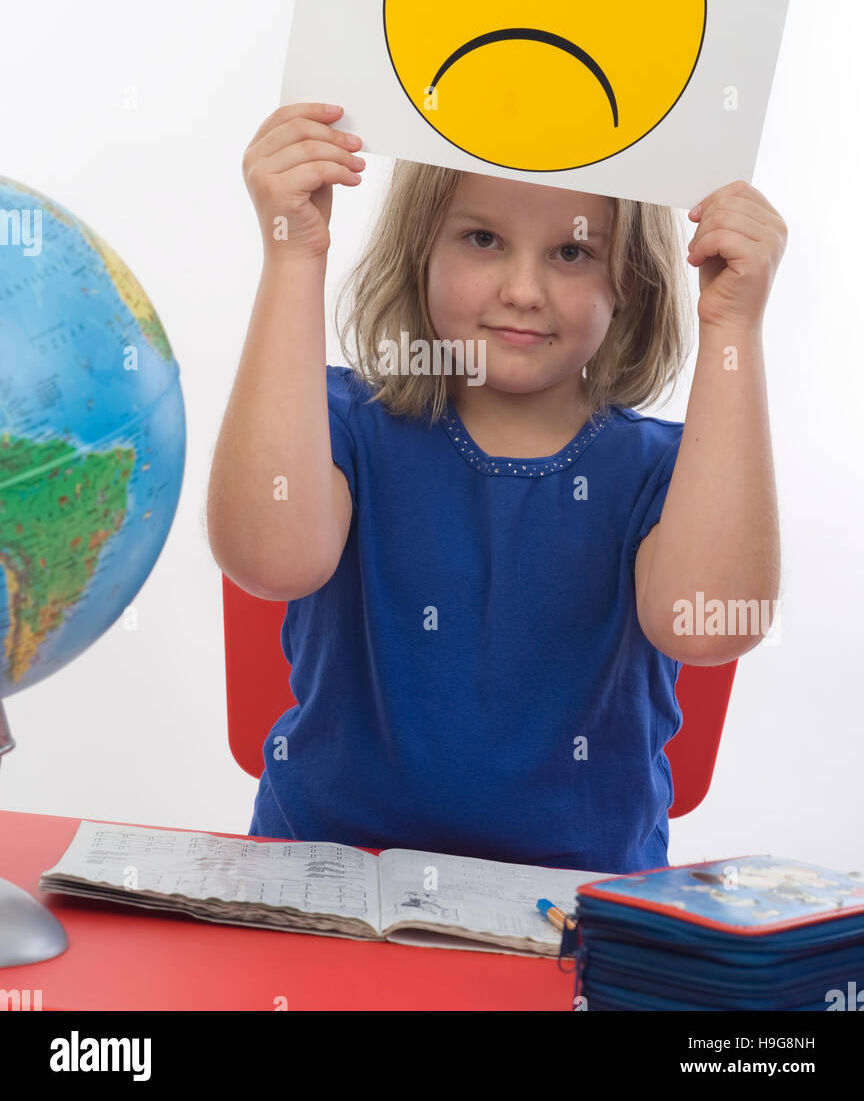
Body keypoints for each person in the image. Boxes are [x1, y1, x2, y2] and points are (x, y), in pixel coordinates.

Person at [207, 100, 786, 873]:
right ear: (421, 250)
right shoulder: (336, 423)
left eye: (572, 254)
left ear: (632, 282)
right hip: (321, 889)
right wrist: (293, 258)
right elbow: (269, 560)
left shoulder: (669, 474)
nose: (522, 289)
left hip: (573, 917)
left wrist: (733, 330)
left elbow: (707, 626)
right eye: (482, 239)